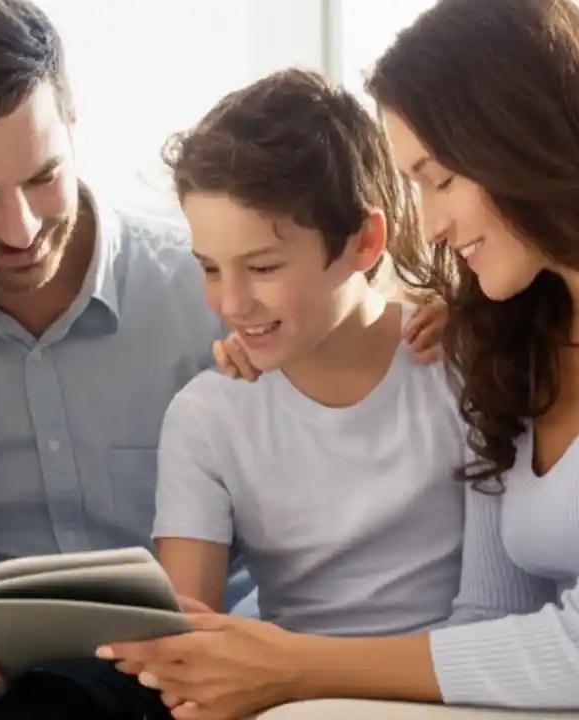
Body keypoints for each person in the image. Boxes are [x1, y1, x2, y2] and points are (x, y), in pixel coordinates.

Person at [100, 1, 579, 718]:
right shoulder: (520, 340)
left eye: (439, 181)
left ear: (526, 147)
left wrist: (294, 666)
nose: (431, 225)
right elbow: (491, 614)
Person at [0, 2, 449, 720]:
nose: (21, 229)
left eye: (43, 177)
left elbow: (352, 292)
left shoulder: (210, 287)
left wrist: (468, 314)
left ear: (73, 122)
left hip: (209, 666)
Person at [147, 66, 465, 667]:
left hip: (457, 685)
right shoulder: (207, 416)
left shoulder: (456, 362)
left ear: (364, 243)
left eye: (262, 267)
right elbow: (186, 636)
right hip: (292, 695)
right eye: (211, 268)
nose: (232, 304)